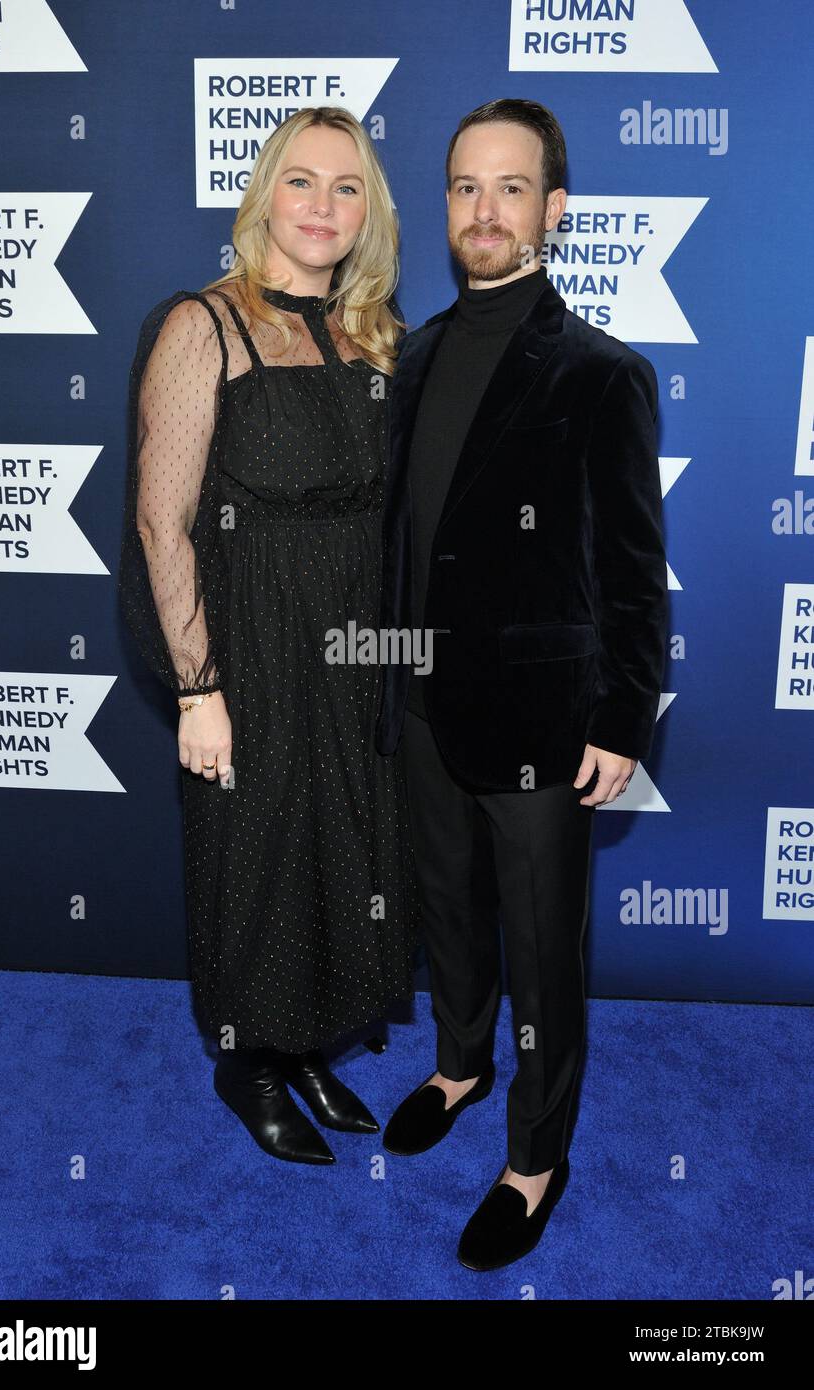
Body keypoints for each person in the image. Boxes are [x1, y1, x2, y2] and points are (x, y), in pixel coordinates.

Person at [375, 99, 668, 1268]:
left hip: (545, 724)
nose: (482, 210)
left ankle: (533, 1157)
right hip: (422, 701)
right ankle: (458, 1062)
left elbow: (632, 568)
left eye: (508, 187)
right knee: (446, 910)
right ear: (443, 204)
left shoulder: (600, 374)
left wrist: (619, 713)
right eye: (461, 186)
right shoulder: (414, 354)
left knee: (543, 949)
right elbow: (406, 539)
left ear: (553, 208)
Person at [119, 107, 419, 1166]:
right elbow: (163, 519)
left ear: (367, 212)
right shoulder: (205, 325)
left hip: (354, 644)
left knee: (341, 842)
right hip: (249, 639)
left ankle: (300, 1043)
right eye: (301, 181)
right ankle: (247, 1059)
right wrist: (198, 686)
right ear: (263, 196)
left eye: (346, 188)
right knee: (255, 851)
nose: (322, 207)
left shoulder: (367, 331)